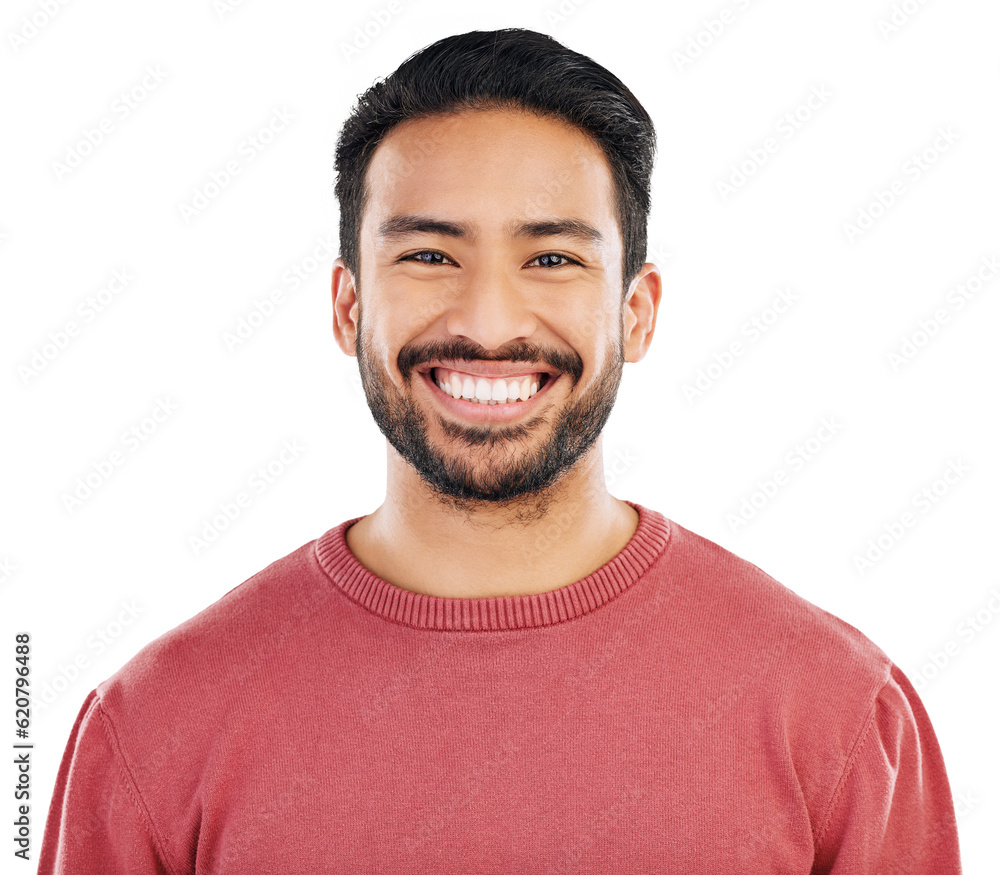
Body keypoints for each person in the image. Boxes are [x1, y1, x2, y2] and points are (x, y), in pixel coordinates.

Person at [39, 28, 962, 873]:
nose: (487, 323)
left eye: (552, 259)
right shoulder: (153, 727)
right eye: (430, 256)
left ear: (635, 312)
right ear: (346, 307)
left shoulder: (841, 716)